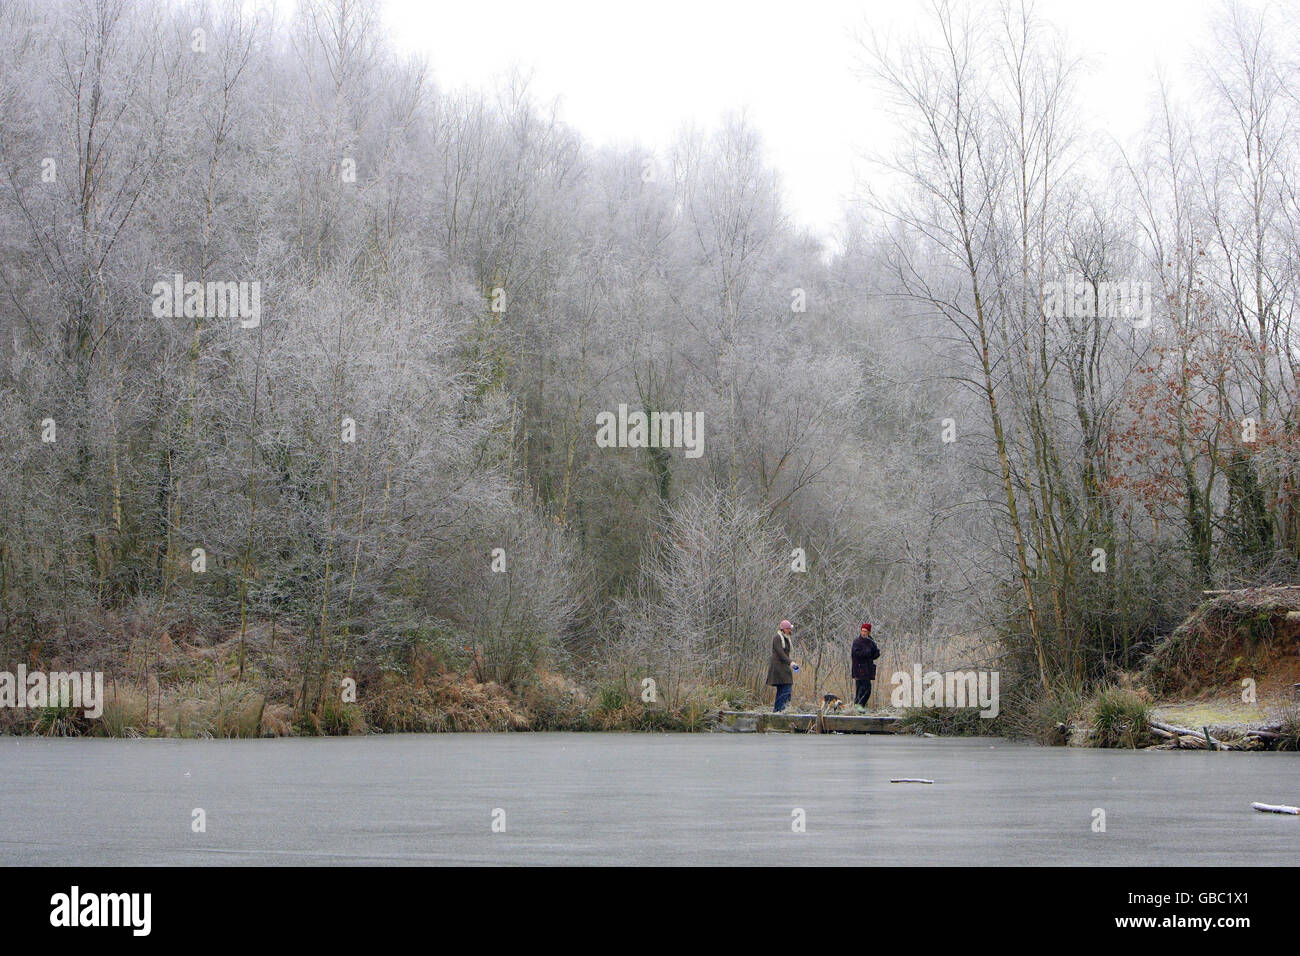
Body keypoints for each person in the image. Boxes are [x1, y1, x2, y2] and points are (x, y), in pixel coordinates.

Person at [767, 619, 795, 712]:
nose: (789, 630)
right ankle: (781, 709)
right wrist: (791, 662)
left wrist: (789, 662)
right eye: (788, 629)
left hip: (784, 667)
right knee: (786, 688)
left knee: (784, 688)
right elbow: (781, 653)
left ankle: (779, 710)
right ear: (783, 629)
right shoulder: (777, 638)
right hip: (778, 668)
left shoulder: (786, 638)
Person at [851, 621, 880, 708]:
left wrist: (875, 653)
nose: (863, 633)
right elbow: (856, 654)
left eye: (865, 631)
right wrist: (868, 652)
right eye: (862, 631)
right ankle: (858, 705)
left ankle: (861, 705)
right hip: (859, 669)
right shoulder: (857, 642)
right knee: (861, 688)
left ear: (869, 632)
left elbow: (875, 654)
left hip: (868, 669)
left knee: (867, 689)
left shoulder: (871, 641)